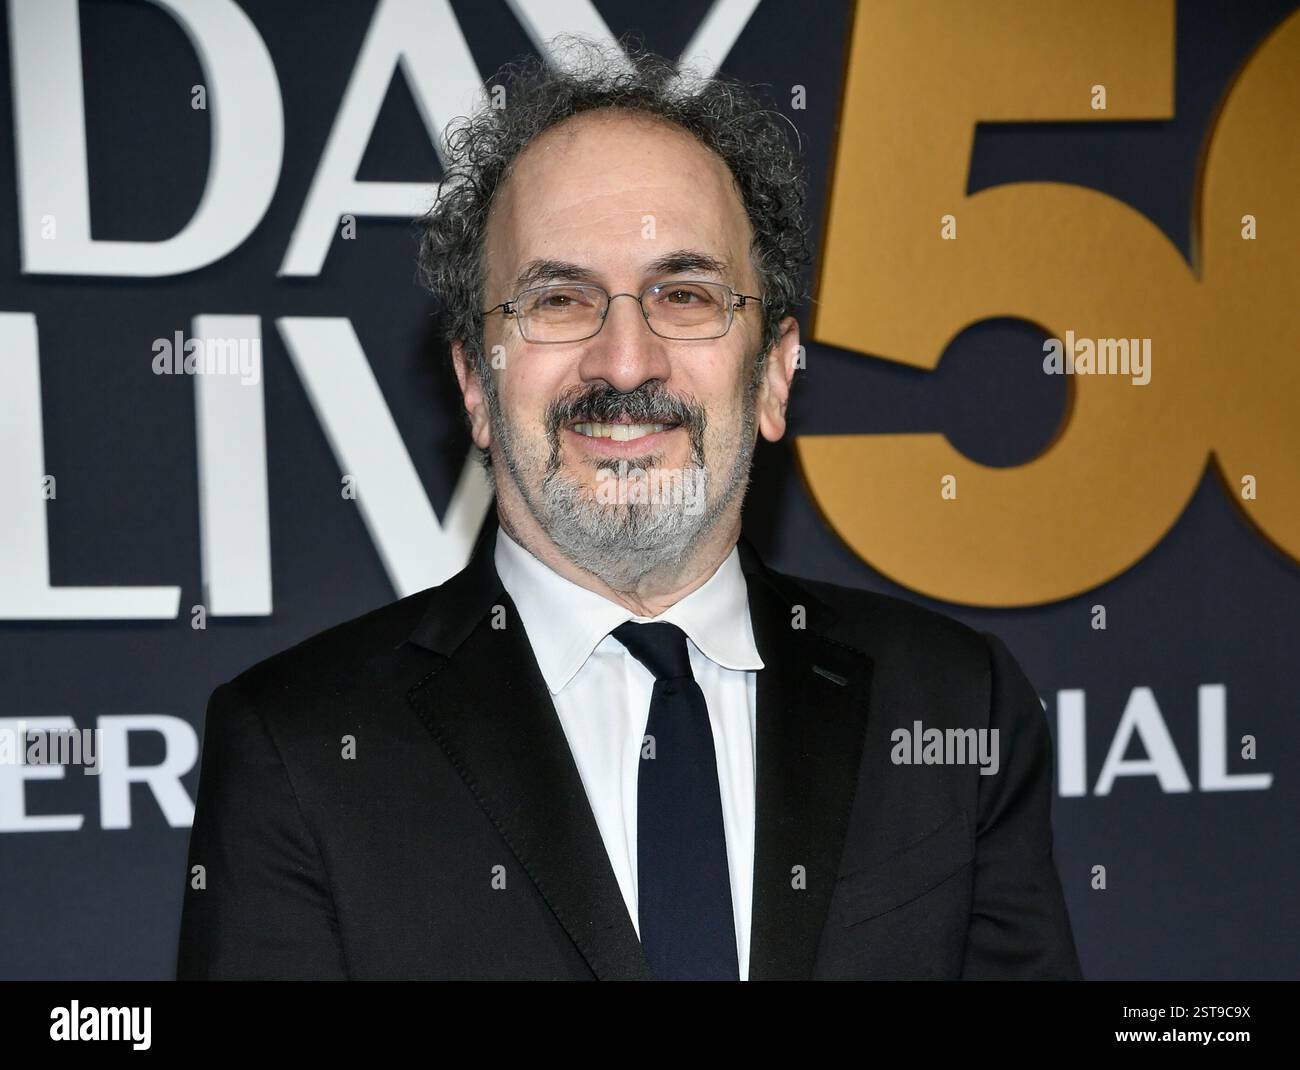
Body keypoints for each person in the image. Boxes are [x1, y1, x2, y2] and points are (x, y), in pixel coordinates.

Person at [176, 35, 1082, 981]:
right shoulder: (300, 748)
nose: (624, 362)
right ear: (476, 385)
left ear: (774, 374)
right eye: (559, 299)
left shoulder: (949, 703)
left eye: (684, 295)